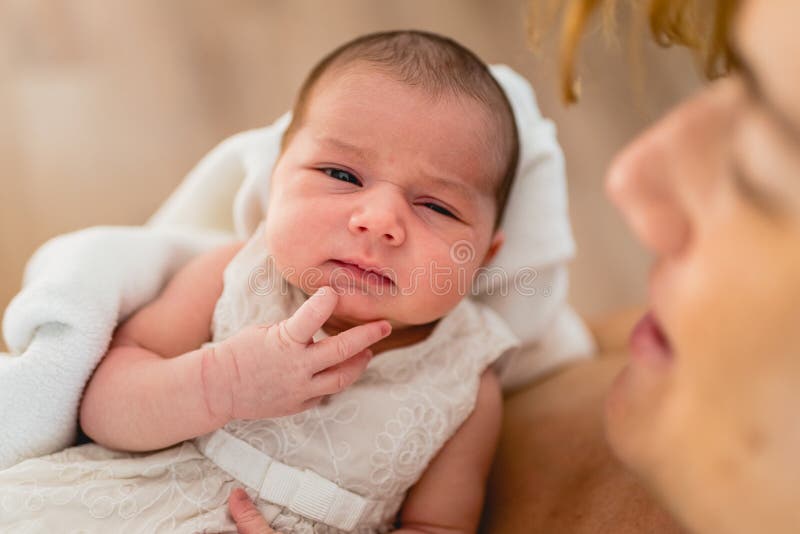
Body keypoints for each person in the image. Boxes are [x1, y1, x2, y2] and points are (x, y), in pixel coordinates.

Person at [226, 1, 800, 533]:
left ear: (486, 257)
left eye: (764, 157)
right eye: (733, 77)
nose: (627, 179)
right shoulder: (652, 346)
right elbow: (137, 363)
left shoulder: (467, 386)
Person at [0, 30, 528, 533]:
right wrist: (218, 382)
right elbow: (102, 408)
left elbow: (437, 525)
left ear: (484, 255)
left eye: (435, 205)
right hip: (110, 508)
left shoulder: (465, 378)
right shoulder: (241, 276)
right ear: (274, 181)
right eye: (342, 175)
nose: (379, 219)